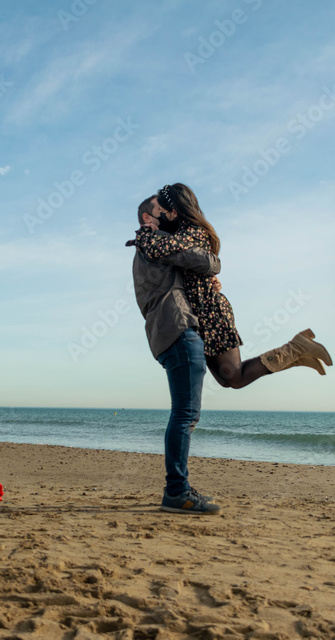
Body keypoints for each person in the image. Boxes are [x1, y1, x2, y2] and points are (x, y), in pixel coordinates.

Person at [131, 183, 333, 389]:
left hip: (210, 312)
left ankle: (296, 348)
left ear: (175, 211)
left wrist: (145, 235)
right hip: (199, 315)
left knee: (234, 378)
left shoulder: (192, 232)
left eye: (163, 212)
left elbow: (161, 247)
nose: (162, 217)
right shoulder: (184, 233)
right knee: (230, 379)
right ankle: (296, 355)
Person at [129, 195, 223, 515]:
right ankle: (176, 491)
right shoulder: (154, 242)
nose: (169, 215)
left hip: (168, 332)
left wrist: (209, 281)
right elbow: (208, 261)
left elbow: (197, 271)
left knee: (184, 414)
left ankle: (178, 487)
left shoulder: (152, 248)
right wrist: (212, 268)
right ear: (148, 219)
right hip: (179, 330)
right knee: (185, 414)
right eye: (162, 211)